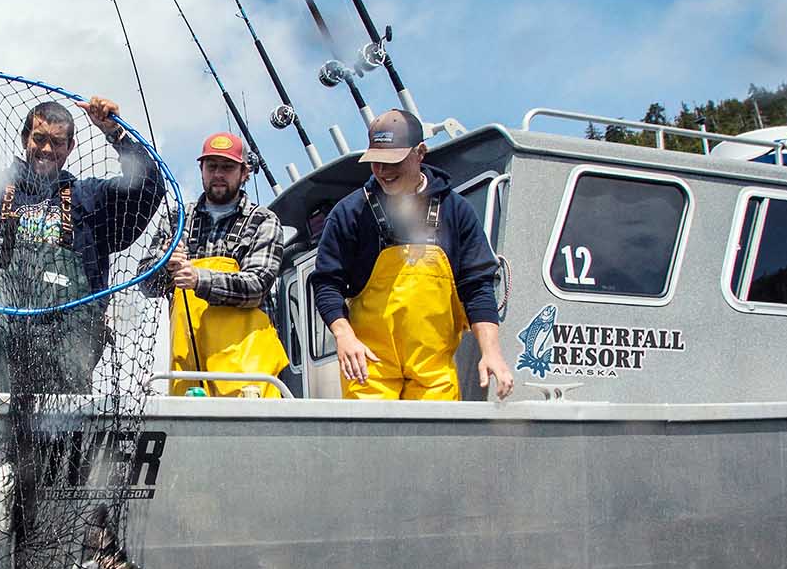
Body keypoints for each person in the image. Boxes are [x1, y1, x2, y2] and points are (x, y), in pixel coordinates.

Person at [0, 61, 163, 393]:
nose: (46, 149)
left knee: (61, 432)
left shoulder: (91, 200)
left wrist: (115, 133)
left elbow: (149, 186)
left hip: (63, 360)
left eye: (57, 142)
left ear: (70, 148)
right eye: (39, 138)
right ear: (26, 139)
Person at [310, 109, 514, 400]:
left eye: (392, 161)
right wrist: (344, 334)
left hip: (434, 373)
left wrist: (491, 353)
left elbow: (477, 286)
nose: (382, 171)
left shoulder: (457, 211)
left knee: (434, 444)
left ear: (420, 153)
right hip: (368, 368)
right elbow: (327, 282)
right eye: (375, 162)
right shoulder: (349, 212)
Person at [148, 132, 287, 396]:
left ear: (244, 173)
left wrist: (200, 280)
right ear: (201, 169)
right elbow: (145, 283)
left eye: (227, 167)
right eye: (211, 166)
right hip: (187, 368)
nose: (218, 174)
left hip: (247, 372)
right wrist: (163, 266)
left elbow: (257, 286)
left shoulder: (263, 221)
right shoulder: (177, 218)